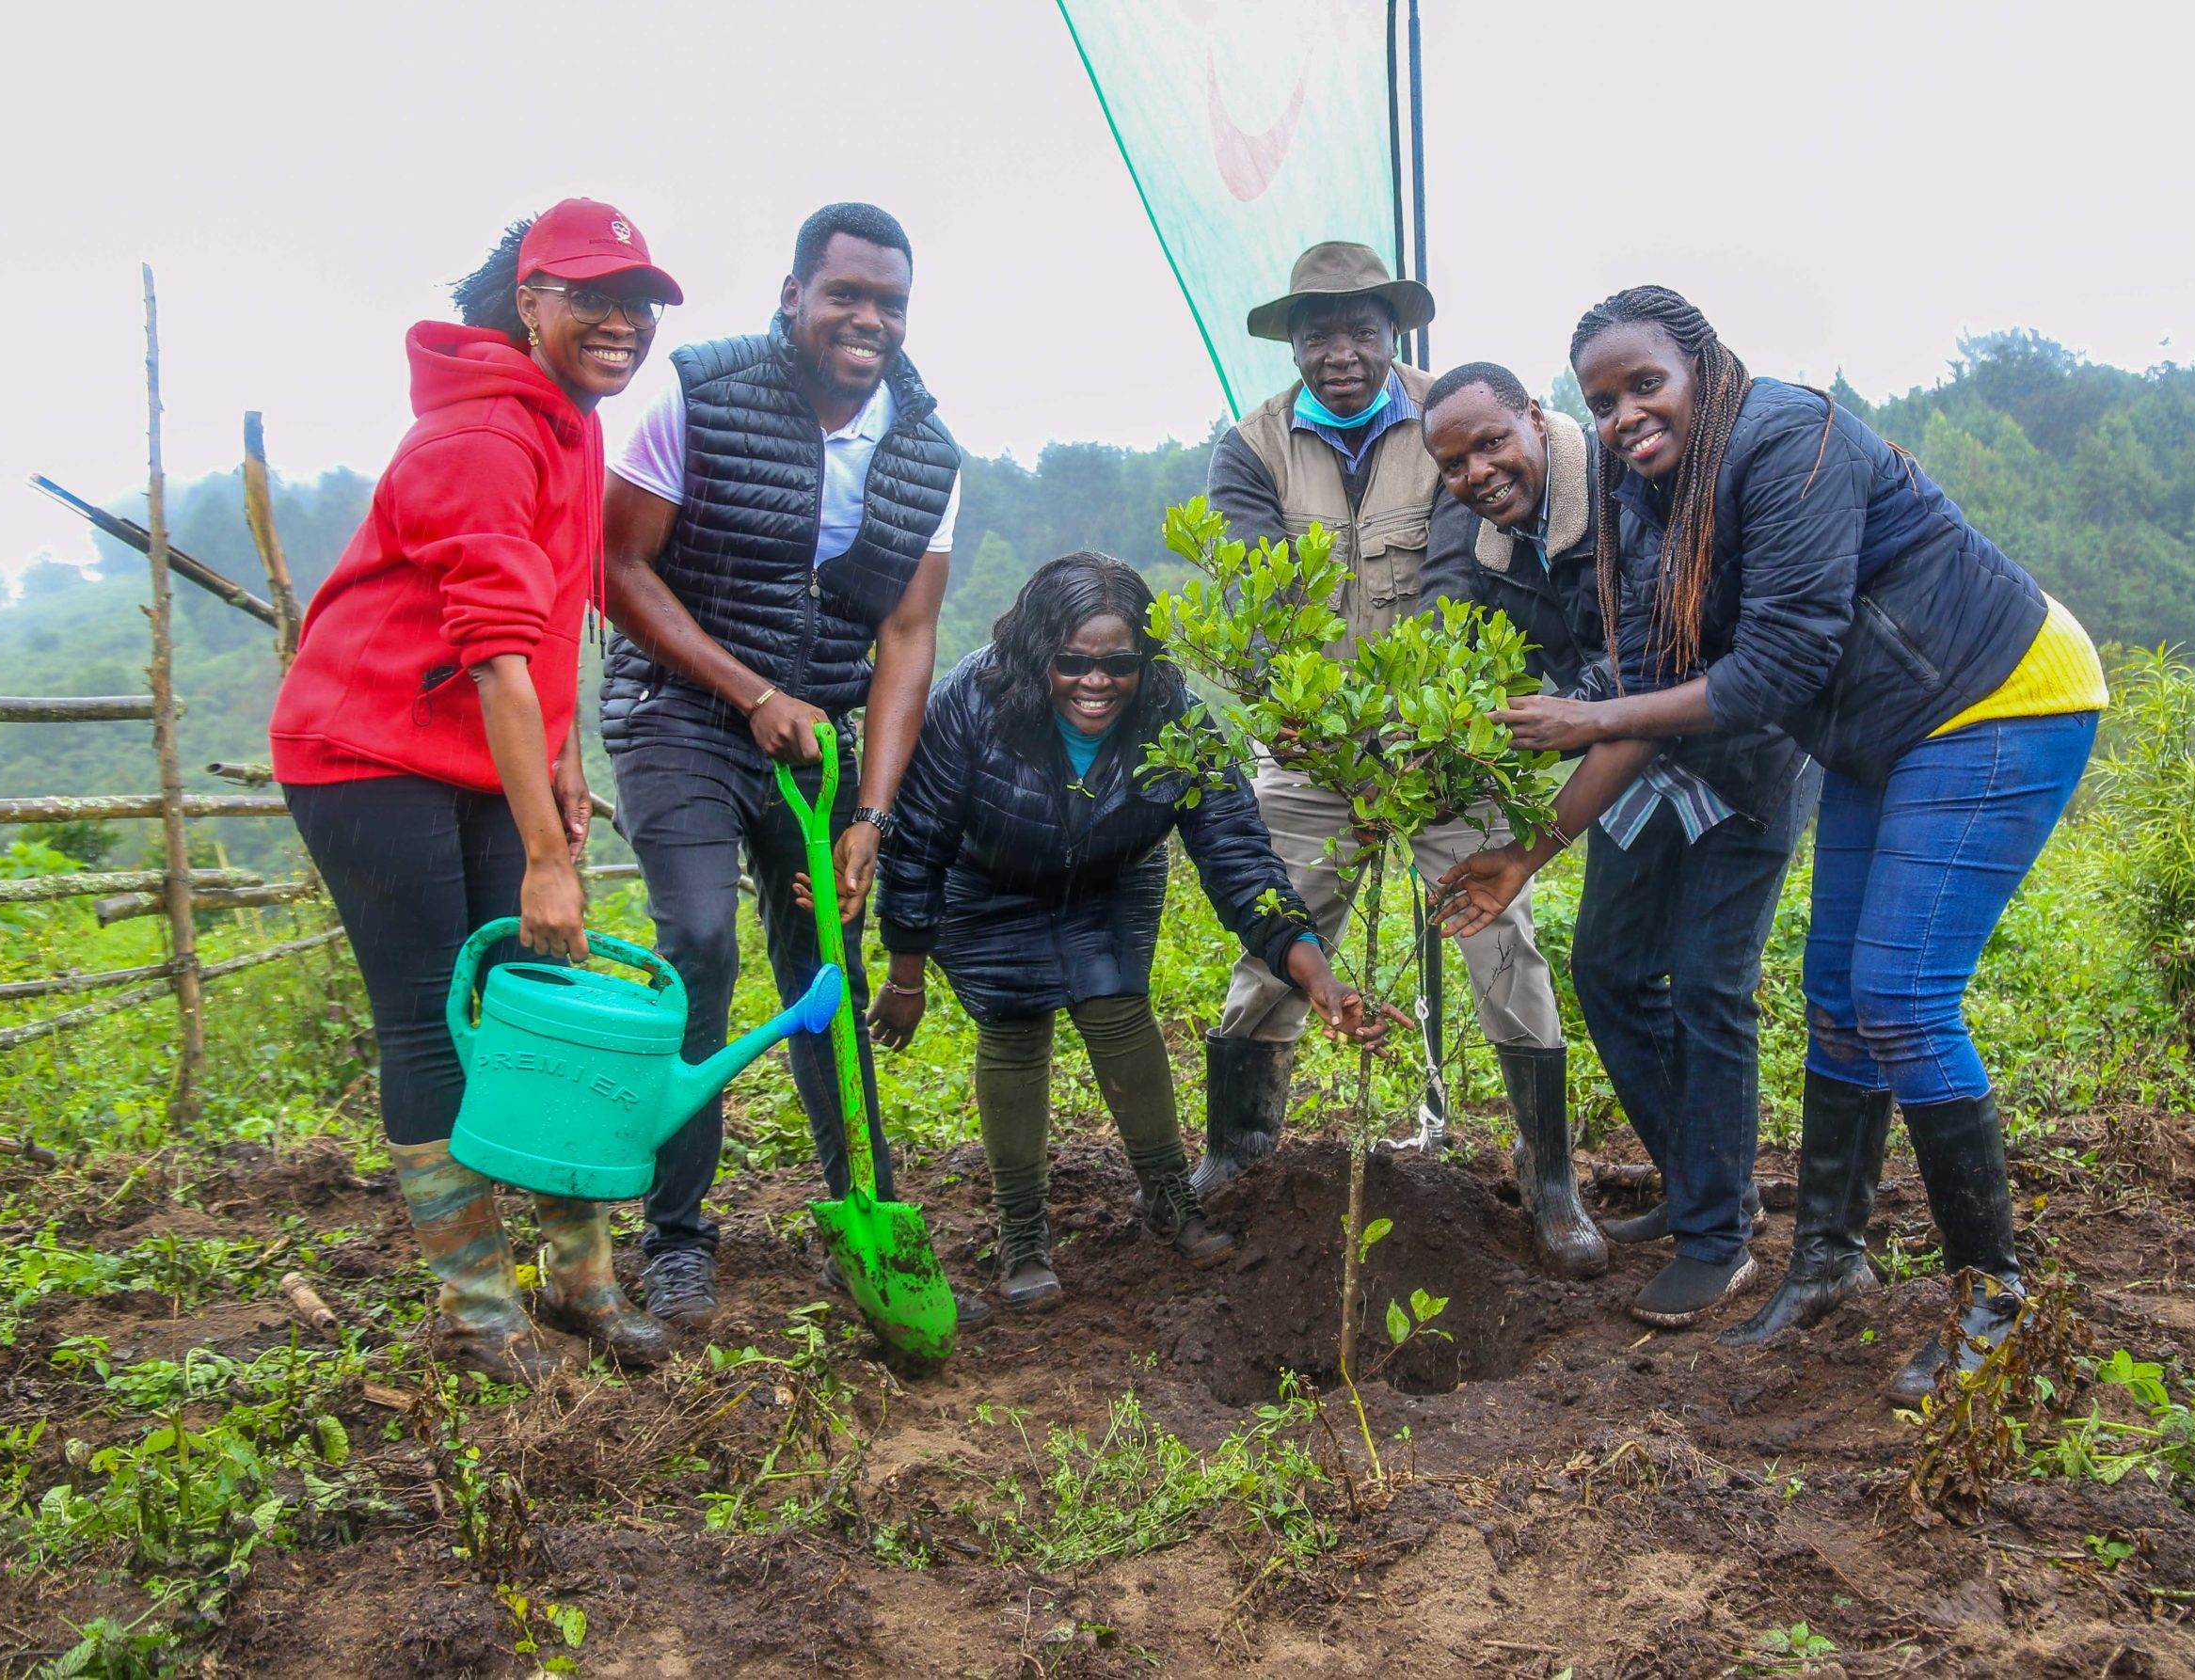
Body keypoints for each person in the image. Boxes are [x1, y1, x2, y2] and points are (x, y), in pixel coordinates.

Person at [1438, 288, 2106, 1395]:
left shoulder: (1789, 439)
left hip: (1997, 697)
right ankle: (1830, 1260)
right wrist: (1532, 850)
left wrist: (1592, 718)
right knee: (1836, 994)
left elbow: (1778, 668)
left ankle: (1995, 1301)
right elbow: (1656, 671)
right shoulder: (1642, 487)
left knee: (1897, 998)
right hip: (1874, 733)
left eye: (1644, 384)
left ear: (1700, 365)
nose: (1624, 414)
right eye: (1600, 401)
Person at [270, 199, 685, 1381]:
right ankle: (478, 1315)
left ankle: (579, 1290)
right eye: (595, 296)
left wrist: (557, 771)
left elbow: (552, 622)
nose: (624, 321)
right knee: (433, 1018)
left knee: (546, 999)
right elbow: (497, 649)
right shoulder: (480, 440)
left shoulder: (570, 421)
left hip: (478, 751)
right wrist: (548, 858)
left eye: (642, 301)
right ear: (529, 301)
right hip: (366, 754)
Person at [1200, 244, 1600, 1279]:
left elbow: (1452, 587)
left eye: (1362, 330)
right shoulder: (1248, 448)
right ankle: (1237, 1155)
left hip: (1440, 740)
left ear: (1395, 332)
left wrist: (1408, 739)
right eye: (1317, 334)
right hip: (1308, 743)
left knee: (1499, 940)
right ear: (1293, 342)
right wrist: (1320, 726)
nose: (1341, 353)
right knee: (1273, 945)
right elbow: (1251, 605)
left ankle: (1547, 1177)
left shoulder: (1449, 422)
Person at [597, 203, 961, 1331]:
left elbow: (905, 637)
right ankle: (675, 1236)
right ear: (795, 294)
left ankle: (860, 1205)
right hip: (679, 715)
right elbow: (619, 567)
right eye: (845, 294)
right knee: (699, 942)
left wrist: (875, 815)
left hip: (818, 740)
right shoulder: (697, 395)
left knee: (826, 969)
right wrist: (746, 692)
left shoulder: (926, 450)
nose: (868, 319)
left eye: (888, 301)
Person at [871, 554, 1397, 1308]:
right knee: (1014, 1025)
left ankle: (1168, 1198)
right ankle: (1022, 1234)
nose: (1098, 682)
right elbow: (918, 840)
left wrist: (1316, 976)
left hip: (1110, 878)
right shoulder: (973, 701)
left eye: (1120, 662)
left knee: (1117, 1008)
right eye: (1074, 663)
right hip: (986, 884)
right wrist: (905, 976)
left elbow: (1239, 857)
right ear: (1037, 653)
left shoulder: (1173, 715)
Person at [1421, 363, 1818, 1329]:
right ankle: (1701, 1191)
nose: (1476, 470)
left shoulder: (1625, 490)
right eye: (1452, 460)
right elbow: (1471, 651)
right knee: (1608, 969)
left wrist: (1531, 845)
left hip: (1741, 746)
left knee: (1707, 980)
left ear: (1533, 416)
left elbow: (1650, 680)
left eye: (1490, 442)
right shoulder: (1481, 534)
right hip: (1632, 753)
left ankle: (1722, 1243)